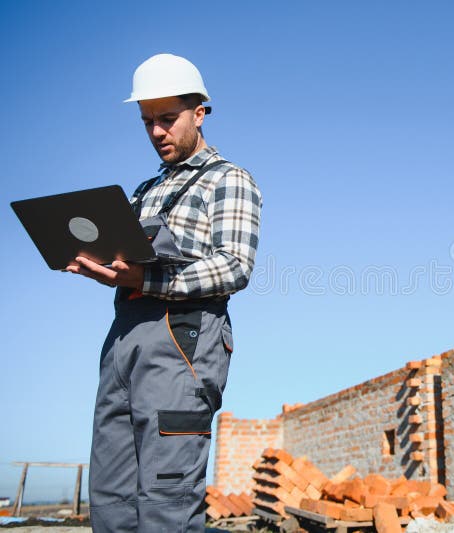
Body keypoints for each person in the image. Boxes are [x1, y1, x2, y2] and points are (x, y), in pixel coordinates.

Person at [66, 53, 262, 532]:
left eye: (167, 119)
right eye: (147, 121)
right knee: (111, 495)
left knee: (166, 500)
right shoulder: (143, 190)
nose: (156, 132)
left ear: (200, 113)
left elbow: (236, 266)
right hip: (123, 338)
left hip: (183, 341)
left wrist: (147, 280)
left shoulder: (228, 179)